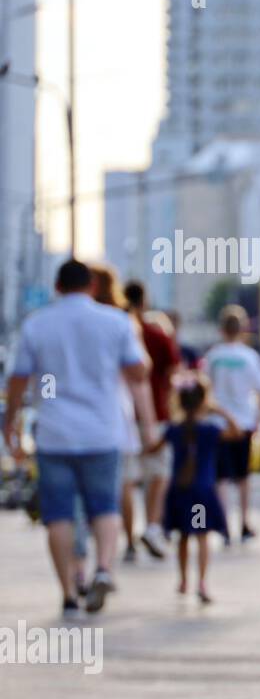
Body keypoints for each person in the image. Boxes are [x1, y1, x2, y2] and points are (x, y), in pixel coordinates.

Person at [3, 259, 150, 615]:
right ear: (92, 287)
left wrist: (11, 425)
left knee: (59, 515)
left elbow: (18, 379)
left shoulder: (37, 325)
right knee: (105, 507)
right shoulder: (115, 322)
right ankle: (102, 568)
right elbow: (139, 371)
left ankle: (69, 594)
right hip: (103, 431)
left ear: (57, 287)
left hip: (54, 434)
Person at [144, 374, 235, 604]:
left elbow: (153, 448)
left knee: (183, 536)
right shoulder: (210, 430)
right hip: (202, 492)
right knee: (202, 536)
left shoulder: (173, 429)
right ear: (204, 400)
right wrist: (219, 411)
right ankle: (202, 582)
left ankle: (184, 580)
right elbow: (237, 432)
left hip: (181, 491)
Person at [89, 264, 155, 564]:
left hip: (80, 424)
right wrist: (149, 424)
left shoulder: (80, 321)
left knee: (91, 491)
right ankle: (128, 541)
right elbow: (140, 379)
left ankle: (94, 551)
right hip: (117, 417)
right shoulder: (123, 322)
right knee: (124, 484)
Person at [124, 281, 181, 559]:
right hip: (156, 415)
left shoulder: (117, 332)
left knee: (126, 480)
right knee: (158, 474)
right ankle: (151, 526)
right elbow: (172, 378)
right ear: (144, 301)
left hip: (121, 417)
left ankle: (128, 539)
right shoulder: (157, 337)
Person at [202, 305, 260, 542]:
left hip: (218, 424)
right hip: (244, 422)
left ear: (221, 329)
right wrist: (258, 421)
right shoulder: (249, 356)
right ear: (243, 329)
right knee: (243, 476)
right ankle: (244, 522)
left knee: (220, 477)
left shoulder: (213, 356)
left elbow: (204, 391)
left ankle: (223, 525)